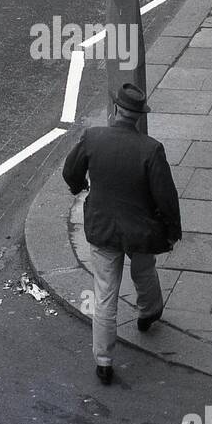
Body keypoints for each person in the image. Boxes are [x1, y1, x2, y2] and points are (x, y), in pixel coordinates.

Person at [61, 82, 182, 385]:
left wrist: (81, 188)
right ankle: (149, 311)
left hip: (103, 228)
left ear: (115, 110)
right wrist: (171, 232)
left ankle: (104, 361)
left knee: (104, 293)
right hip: (140, 230)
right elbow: (166, 196)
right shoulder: (151, 149)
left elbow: (70, 172)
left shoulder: (93, 138)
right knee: (144, 270)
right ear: (139, 116)